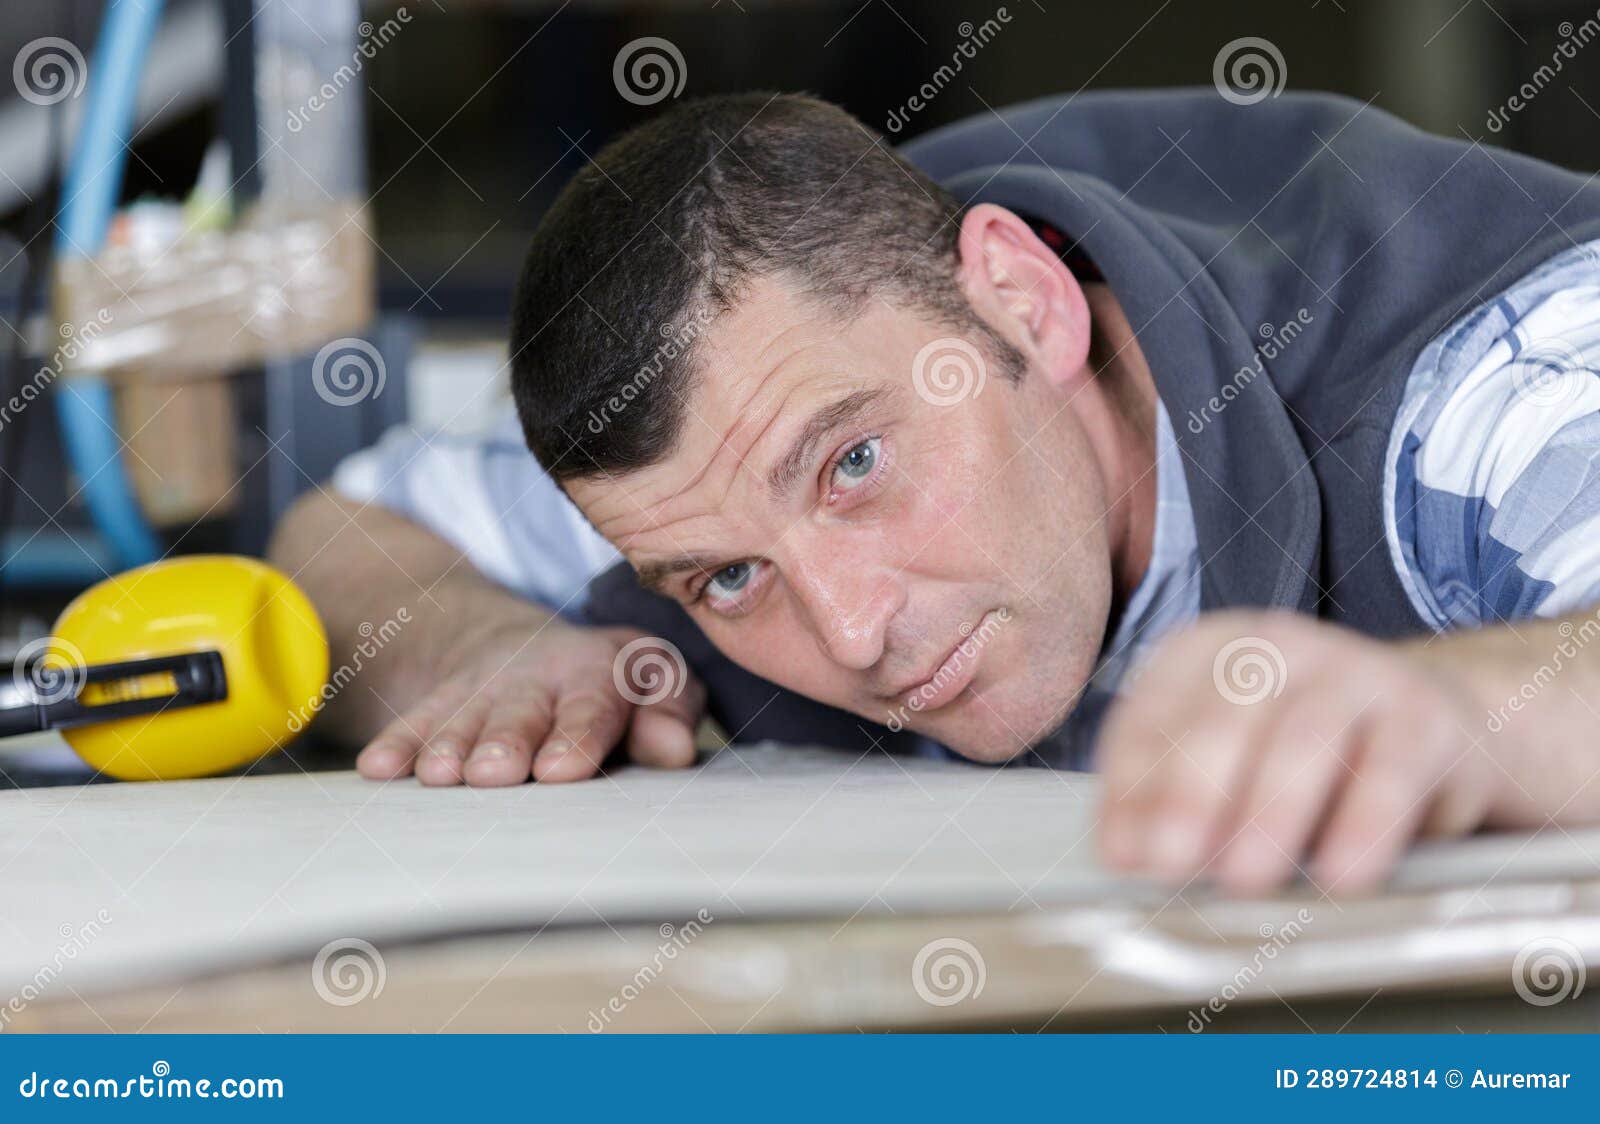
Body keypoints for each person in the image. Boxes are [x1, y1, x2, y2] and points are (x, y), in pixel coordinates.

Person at [271, 89, 1600, 896]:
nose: (852, 635)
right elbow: (352, 523)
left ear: (1021, 303)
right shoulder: (723, 411)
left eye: (854, 465)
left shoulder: (1491, 392)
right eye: (728, 579)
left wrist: (1445, 713)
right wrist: (497, 649)